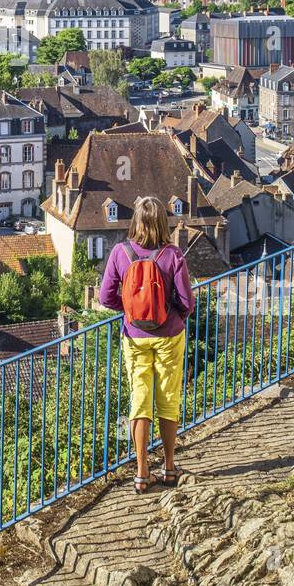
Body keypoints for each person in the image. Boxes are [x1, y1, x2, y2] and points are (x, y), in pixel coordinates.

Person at [98, 195, 193, 493]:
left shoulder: (120, 253)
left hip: (135, 337)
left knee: (140, 402)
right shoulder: (172, 254)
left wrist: (130, 310)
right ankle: (168, 467)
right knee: (168, 400)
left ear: (136, 222)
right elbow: (186, 301)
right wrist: (170, 316)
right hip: (169, 336)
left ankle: (141, 472)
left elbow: (104, 297)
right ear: (163, 223)